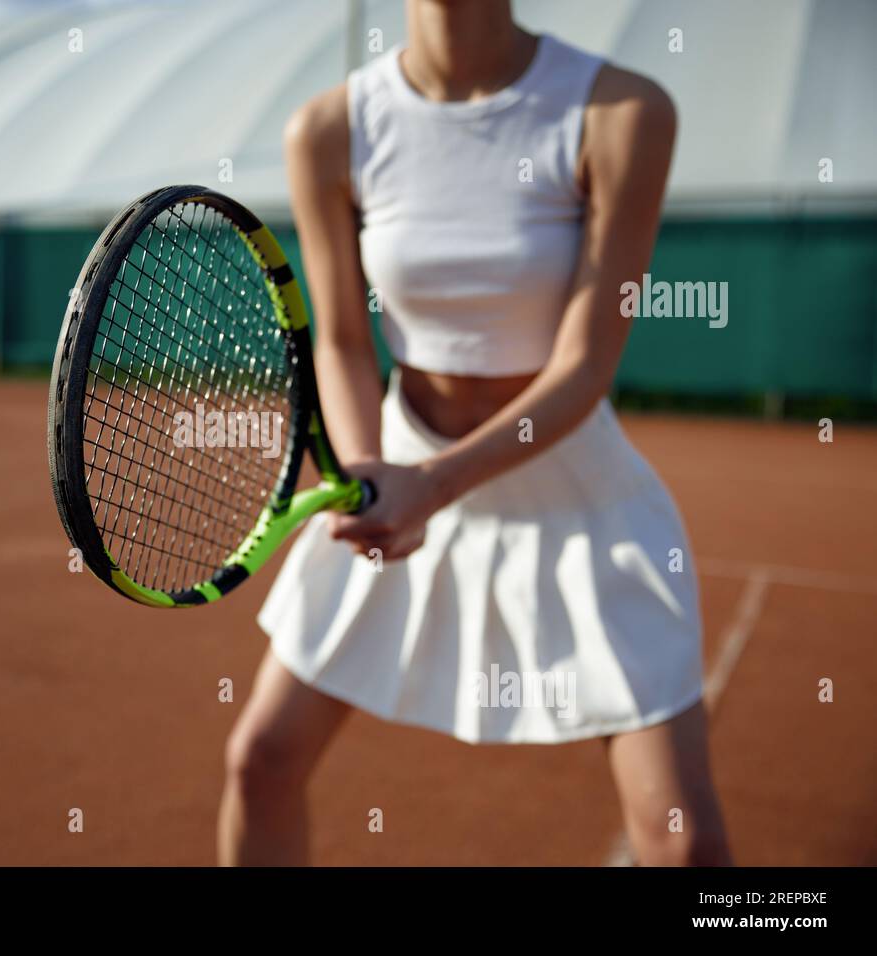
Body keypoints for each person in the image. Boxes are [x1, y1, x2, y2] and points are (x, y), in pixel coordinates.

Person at [218, 0, 732, 867]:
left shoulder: (622, 112)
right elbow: (343, 338)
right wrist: (373, 469)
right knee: (260, 763)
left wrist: (435, 485)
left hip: (579, 499)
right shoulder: (327, 130)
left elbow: (585, 366)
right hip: (402, 469)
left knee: (682, 848)